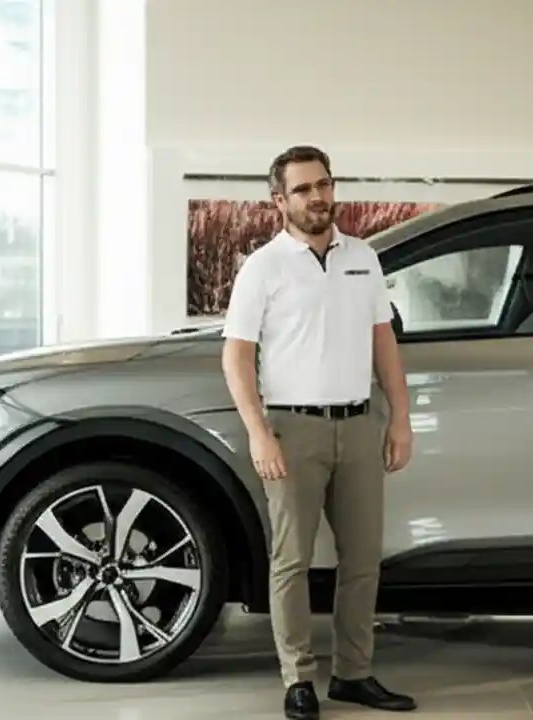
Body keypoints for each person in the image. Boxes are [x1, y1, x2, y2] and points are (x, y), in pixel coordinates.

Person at [220, 146, 415, 719]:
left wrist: (400, 417)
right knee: (292, 561)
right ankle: (297, 679)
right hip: (291, 430)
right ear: (279, 201)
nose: (317, 197)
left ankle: (353, 674)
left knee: (363, 561)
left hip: (358, 426)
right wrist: (258, 433)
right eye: (303, 189)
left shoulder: (363, 258)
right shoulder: (263, 267)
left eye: (323, 184)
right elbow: (236, 356)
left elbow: (383, 341)